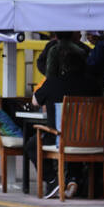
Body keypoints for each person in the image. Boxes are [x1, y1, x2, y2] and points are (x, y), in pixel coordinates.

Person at [26, 49, 90, 197]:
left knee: (32, 144)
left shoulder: (53, 82)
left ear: (63, 67)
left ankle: (52, 180)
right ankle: (74, 179)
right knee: (76, 133)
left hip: (60, 137)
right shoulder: (92, 84)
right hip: (90, 139)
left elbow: (35, 101)